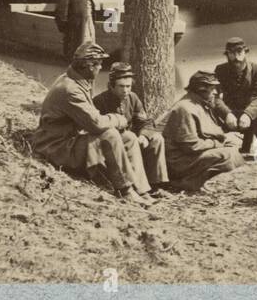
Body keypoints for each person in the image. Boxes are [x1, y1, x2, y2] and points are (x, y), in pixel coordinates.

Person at [30, 43, 155, 205]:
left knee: (129, 137)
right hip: (56, 146)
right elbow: (95, 123)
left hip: (67, 140)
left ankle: (141, 190)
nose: (100, 68)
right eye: (99, 64)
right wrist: (118, 119)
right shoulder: (71, 90)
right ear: (89, 66)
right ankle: (125, 190)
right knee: (110, 134)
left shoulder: (76, 81)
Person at [95, 62, 169, 197]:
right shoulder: (100, 101)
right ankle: (138, 188)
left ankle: (156, 186)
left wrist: (144, 136)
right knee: (130, 137)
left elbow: (145, 122)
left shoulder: (133, 98)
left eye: (128, 86)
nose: (125, 90)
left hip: (132, 140)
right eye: (121, 86)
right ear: (112, 85)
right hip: (114, 147)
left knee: (157, 138)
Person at [164, 71, 245, 192]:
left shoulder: (200, 103)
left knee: (233, 150)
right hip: (179, 160)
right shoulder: (185, 108)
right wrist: (219, 143)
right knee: (227, 155)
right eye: (212, 89)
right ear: (201, 90)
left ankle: (198, 182)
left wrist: (225, 138)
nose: (215, 92)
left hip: (189, 155)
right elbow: (190, 146)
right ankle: (186, 182)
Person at [213, 37, 257, 156]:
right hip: (230, 110)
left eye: (239, 52)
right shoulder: (220, 70)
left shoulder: (256, 69)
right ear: (227, 55)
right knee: (209, 115)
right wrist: (226, 113)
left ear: (245, 52)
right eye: (232, 53)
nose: (237, 57)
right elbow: (215, 96)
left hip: (251, 108)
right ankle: (217, 153)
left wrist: (249, 114)